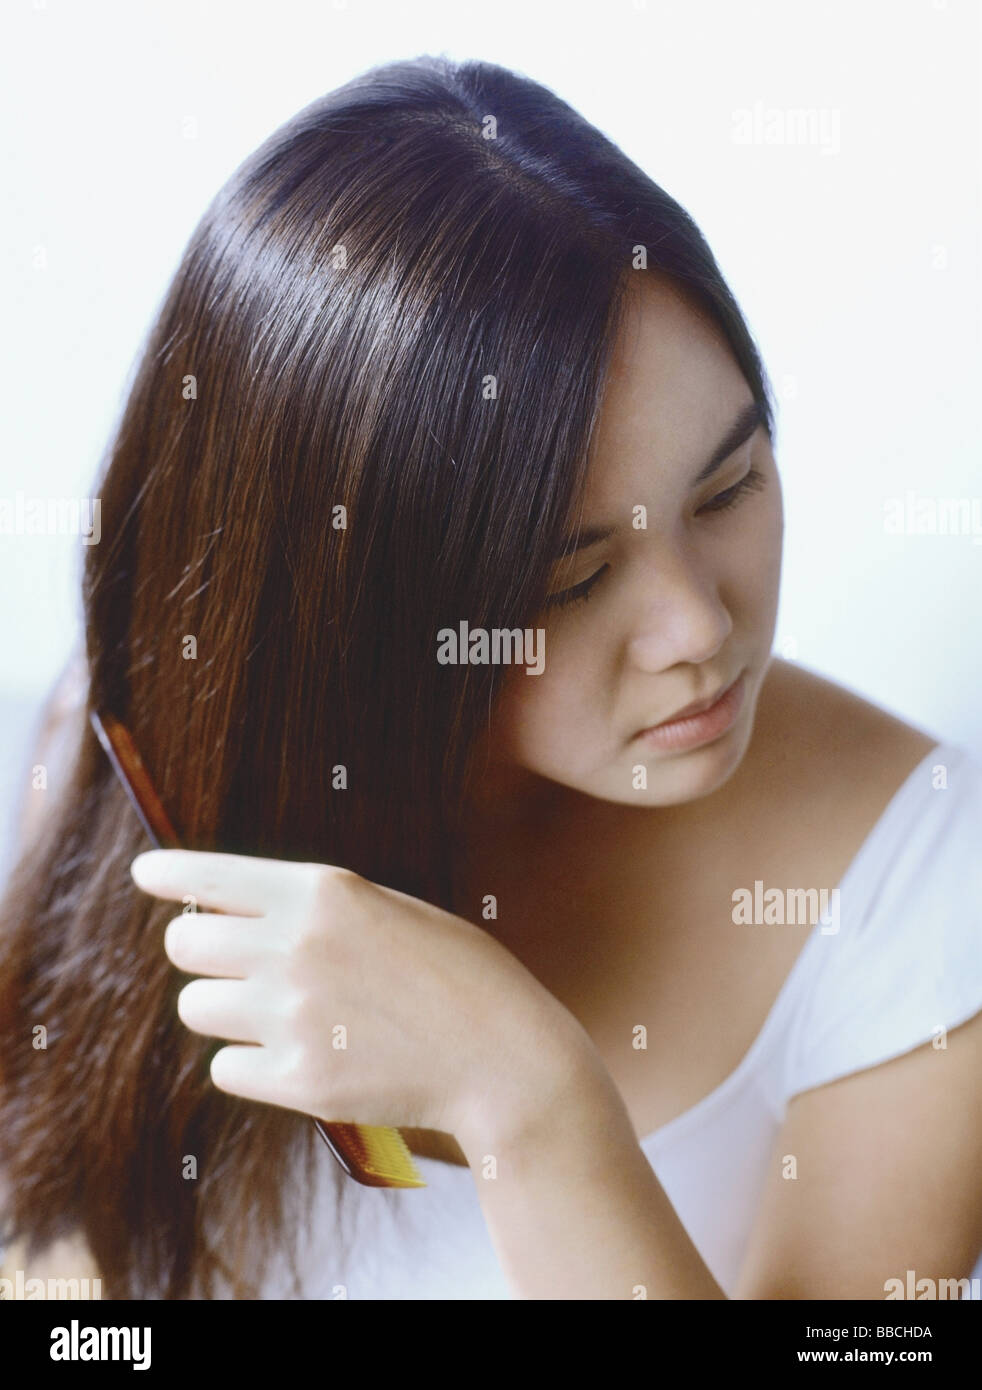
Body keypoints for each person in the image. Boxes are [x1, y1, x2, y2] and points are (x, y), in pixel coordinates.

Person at [1, 54, 980, 1302]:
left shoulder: (919, 891)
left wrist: (533, 1107)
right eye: (570, 581)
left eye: (728, 487)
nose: (696, 624)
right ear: (353, 607)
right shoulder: (162, 753)